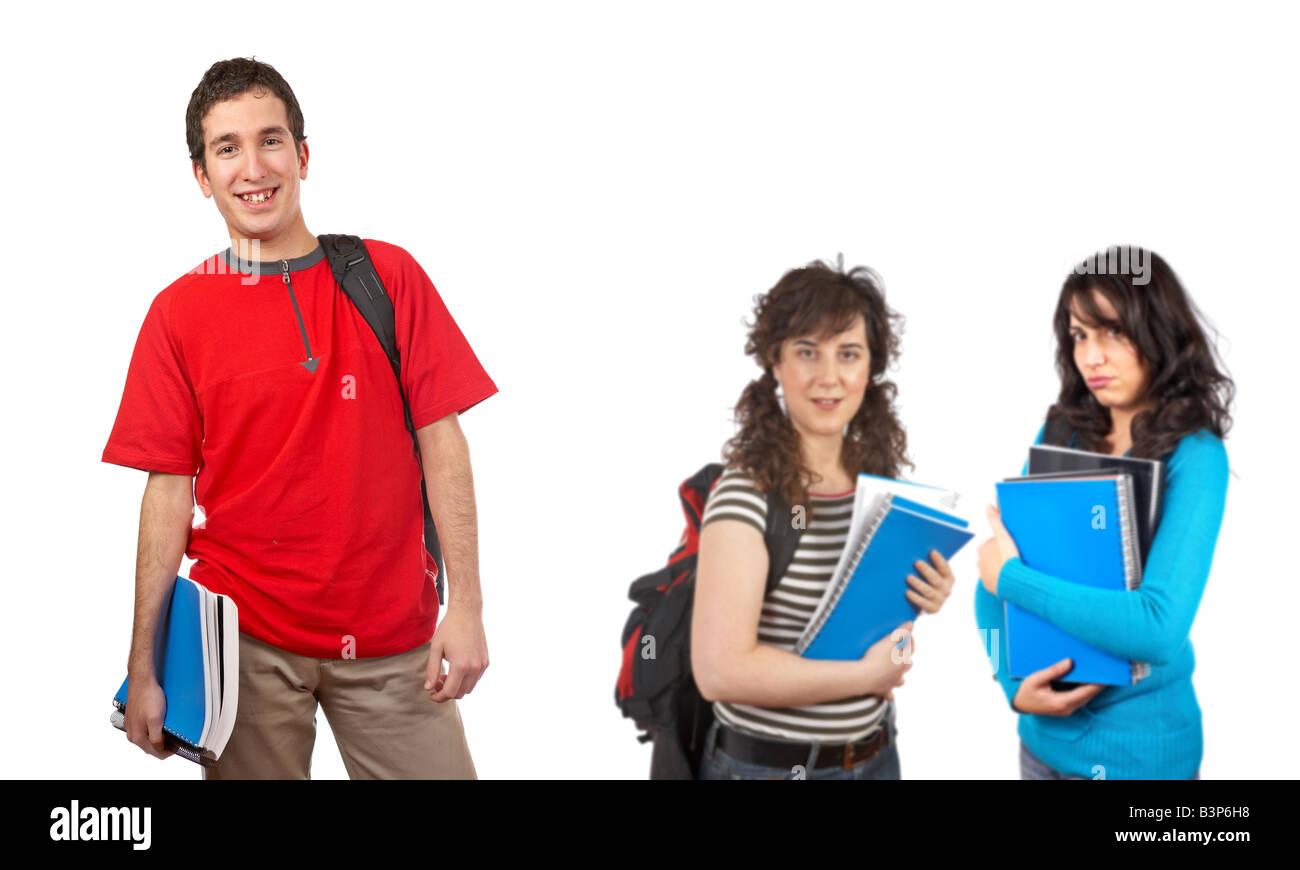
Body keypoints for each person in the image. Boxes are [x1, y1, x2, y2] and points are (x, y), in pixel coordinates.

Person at [101, 57, 497, 779]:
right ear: (201, 175)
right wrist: (144, 662)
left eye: (271, 140)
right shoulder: (176, 315)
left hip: (392, 638)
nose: (254, 167)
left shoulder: (388, 277)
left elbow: (445, 447)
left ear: (304, 155)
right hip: (243, 648)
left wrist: (466, 606)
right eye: (227, 148)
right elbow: (166, 493)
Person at [689, 258, 957, 780]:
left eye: (849, 354)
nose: (829, 376)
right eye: (807, 352)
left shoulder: (879, 486)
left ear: (871, 368)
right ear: (775, 362)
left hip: (877, 756)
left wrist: (925, 596)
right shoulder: (746, 495)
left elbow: (870, 629)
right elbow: (720, 672)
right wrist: (864, 675)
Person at [974, 246, 1233, 780]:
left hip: (1142, 760)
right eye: (1079, 336)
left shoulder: (1196, 456)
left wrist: (1015, 579)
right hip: (1042, 747)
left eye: (1112, 332)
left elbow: (1157, 629)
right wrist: (1012, 688)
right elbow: (988, 585)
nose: (1091, 356)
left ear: (1156, 331)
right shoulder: (1063, 431)